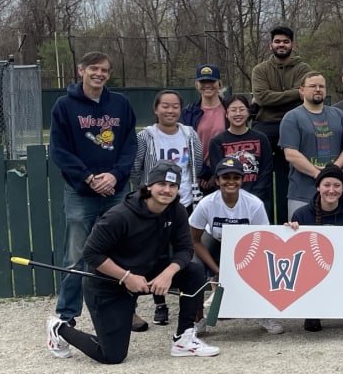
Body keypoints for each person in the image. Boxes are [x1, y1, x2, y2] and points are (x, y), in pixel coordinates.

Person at [45, 162, 217, 362]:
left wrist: (167, 274)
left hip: (146, 273)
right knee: (111, 356)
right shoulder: (120, 216)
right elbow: (92, 254)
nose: (167, 190)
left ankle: (184, 339)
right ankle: (59, 329)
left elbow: (185, 249)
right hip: (109, 283)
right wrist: (126, 277)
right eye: (161, 184)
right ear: (148, 186)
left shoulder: (176, 210)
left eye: (173, 186)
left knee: (193, 272)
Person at [49, 51, 137, 333]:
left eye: (105, 70)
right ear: (81, 71)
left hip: (115, 190)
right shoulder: (64, 106)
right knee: (76, 255)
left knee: (121, 253)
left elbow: (129, 146)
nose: (99, 74)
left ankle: (123, 311)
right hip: (80, 193)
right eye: (94, 69)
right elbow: (59, 151)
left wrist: (114, 175)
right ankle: (67, 314)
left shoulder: (120, 105)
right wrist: (88, 178)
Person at [128, 90, 203, 330]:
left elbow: (197, 164)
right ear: (156, 109)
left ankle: (188, 304)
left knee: (184, 252)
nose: (170, 111)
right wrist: (147, 194)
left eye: (175, 107)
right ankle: (159, 303)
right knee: (156, 253)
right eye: (165, 106)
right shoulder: (146, 136)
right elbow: (135, 168)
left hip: (184, 202)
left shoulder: (190, 135)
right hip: (155, 205)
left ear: (181, 110)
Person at [187, 157, 283, 335]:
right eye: (225, 177)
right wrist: (217, 270)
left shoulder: (254, 204)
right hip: (214, 240)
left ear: (242, 180)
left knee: (267, 263)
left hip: (245, 244)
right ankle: (198, 319)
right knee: (194, 268)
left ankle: (264, 313)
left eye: (236, 177)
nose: (231, 181)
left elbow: (264, 240)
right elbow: (194, 241)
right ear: (217, 180)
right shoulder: (206, 204)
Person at [286, 164, 343, 334]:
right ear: (318, 187)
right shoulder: (301, 215)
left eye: (337, 185)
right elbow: (292, 253)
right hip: (312, 266)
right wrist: (289, 231)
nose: (331, 190)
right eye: (326, 185)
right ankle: (312, 312)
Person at [251, 26, 311, 221]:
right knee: (262, 179)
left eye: (285, 41)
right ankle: (262, 222)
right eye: (277, 41)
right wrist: (295, 93)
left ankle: (292, 220)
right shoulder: (260, 70)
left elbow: (306, 96)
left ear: (292, 45)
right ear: (271, 45)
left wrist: (274, 97)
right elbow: (262, 98)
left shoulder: (304, 69)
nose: (281, 45)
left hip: (295, 123)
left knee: (291, 177)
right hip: (265, 126)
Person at [280, 72, 343, 220]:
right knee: (300, 240)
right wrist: (318, 174)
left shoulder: (339, 115)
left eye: (321, 86)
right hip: (302, 194)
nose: (318, 89)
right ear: (302, 90)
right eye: (313, 86)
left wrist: (334, 169)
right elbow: (291, 153)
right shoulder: (292, 117)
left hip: (335, 194)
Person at [201, 95, 275, 220]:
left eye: (242, 109)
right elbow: (218, 174)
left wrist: (253, 198)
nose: (238, 113)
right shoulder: (217, 142)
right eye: (233, 110)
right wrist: (237, 198)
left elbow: (266, 171)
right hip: (230, 201)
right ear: (226, 114)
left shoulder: (261, 138)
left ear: (248, 112)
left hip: (259, 199)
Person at [183, 64, 227, 151]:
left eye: (211, 81)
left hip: (225, 163)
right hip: (197, 164)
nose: (207, 85)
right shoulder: (189, 112)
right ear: (197, 85)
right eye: (203, 82)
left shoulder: (229, 109)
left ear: (219, 84)